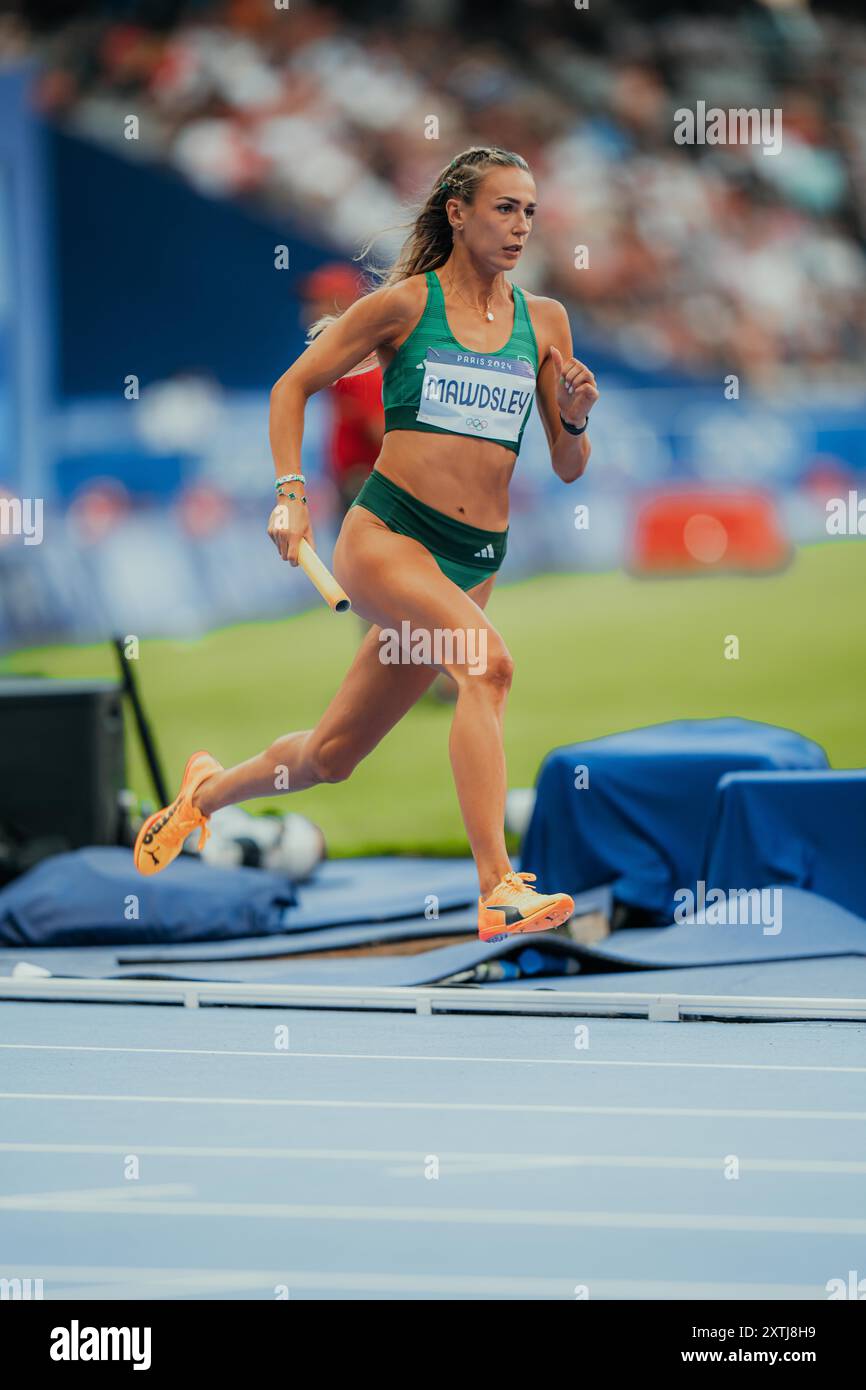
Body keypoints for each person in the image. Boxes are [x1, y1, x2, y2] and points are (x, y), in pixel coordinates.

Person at [134, 145, 599, 943]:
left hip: (476, 555)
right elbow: (292, 387)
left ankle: (202, 797)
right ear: (458, 212)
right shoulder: (402, 307)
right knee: (488, 668)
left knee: (332, 755)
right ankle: (497, 886)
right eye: (504, 207)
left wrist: (579, 415)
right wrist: (290, 497)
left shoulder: (545, 320)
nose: (521, 225)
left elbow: (566, 466)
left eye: (529, 210)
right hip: (388, 537)